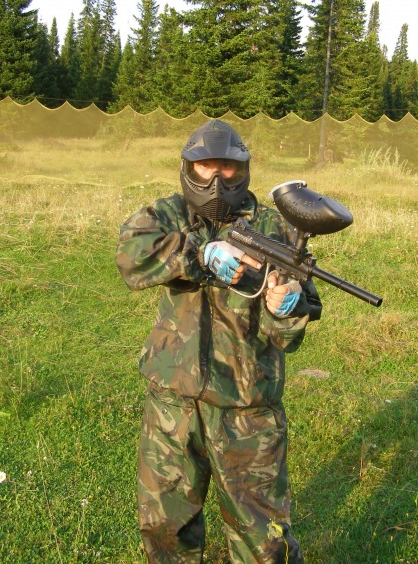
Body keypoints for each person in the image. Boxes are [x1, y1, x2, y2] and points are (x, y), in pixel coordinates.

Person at [115, 119, 322, 563]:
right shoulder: (168, 214)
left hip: (247, 407)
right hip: (173, 401)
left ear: (243, 169)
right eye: (206, 165)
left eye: (228, 167)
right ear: (188, 167)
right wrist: (200, 254)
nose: (216, 178)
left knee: (263, 538)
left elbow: (287, 332)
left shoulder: (274, 228)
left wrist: (285, 306)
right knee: (165, 528)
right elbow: (131, 256)